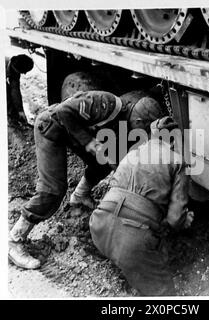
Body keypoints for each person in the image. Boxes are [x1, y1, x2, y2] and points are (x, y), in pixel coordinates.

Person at [8, 88, 166, 270]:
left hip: (70, 133)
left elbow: (116, 160)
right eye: (143, 129)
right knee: (53, 190)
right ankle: (14, 239)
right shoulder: (106, 103)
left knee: (103, 163)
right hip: (51, 128)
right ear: (138, 120)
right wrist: (88, 142)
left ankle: (79, 196)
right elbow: (63, 112)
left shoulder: (125, 124)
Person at [89, 116, 194, 296]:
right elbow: (175, 219)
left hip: (98, 228)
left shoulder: (131, 153)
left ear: (150, 136)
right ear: (174, 138)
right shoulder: (177, 161)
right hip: (132, 241)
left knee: (130, 252)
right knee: (165, 295)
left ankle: (126, 267)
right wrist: (185, 219)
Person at [6, 54, 34, 123]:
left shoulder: (14, 69)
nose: (24, 74)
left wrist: (20, 110)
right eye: (24, 72)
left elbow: (15, 90)